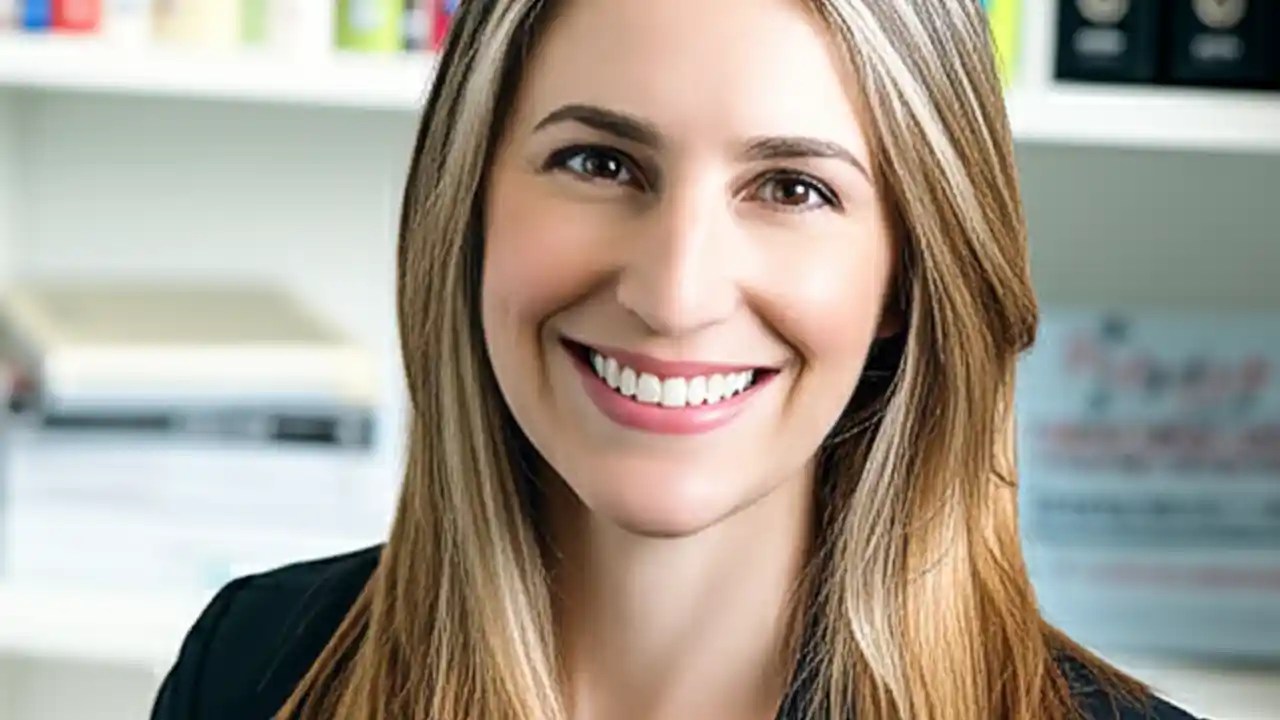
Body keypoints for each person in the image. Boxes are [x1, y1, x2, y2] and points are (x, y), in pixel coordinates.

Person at [151, 1, 1200, 718]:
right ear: (468, 210)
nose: (674, 294)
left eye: (792, 188)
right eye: (599, 162)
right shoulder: (256, 667)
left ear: (905, 276)